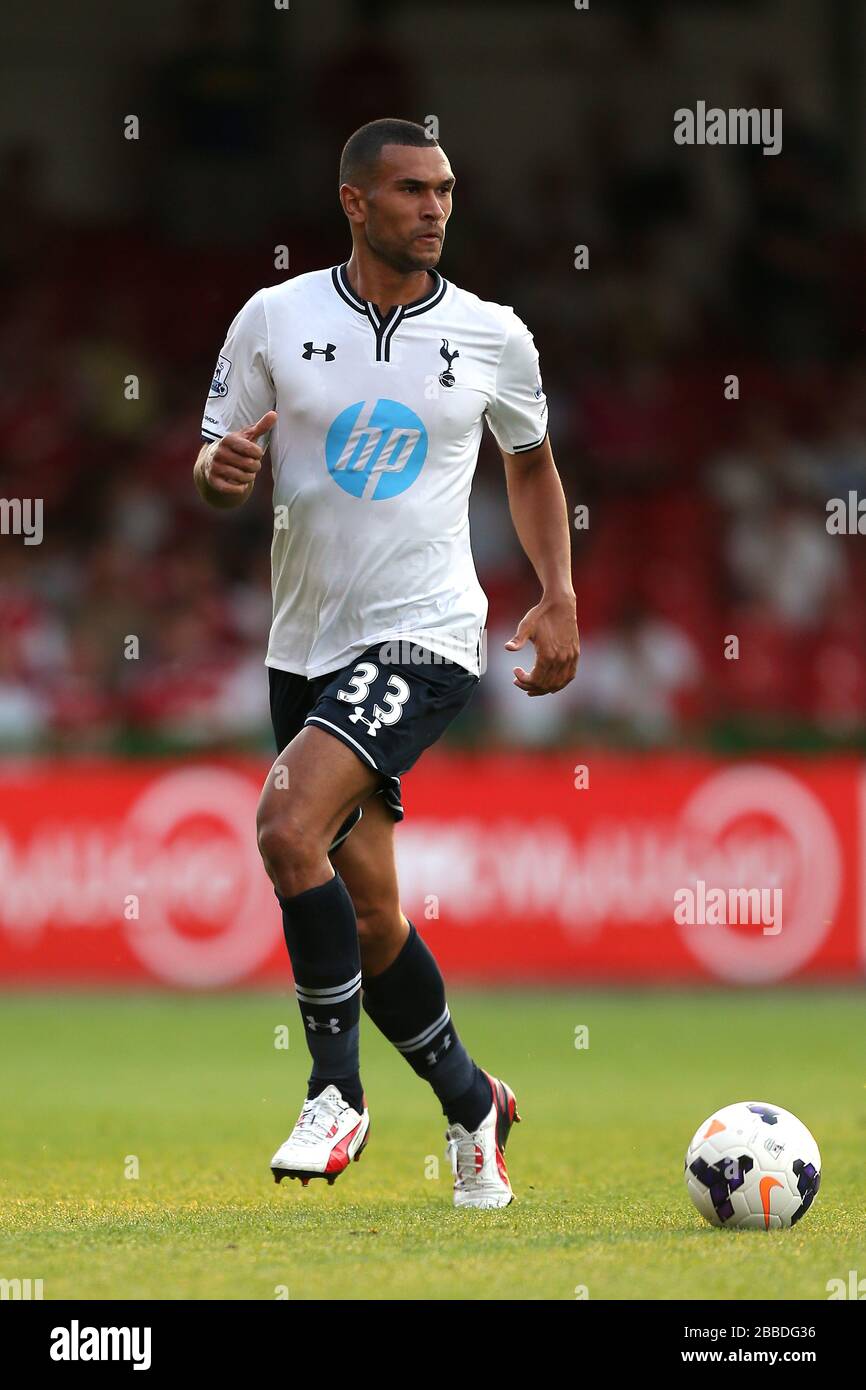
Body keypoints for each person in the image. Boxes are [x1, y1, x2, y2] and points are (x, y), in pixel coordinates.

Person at [194, 119, 579, 1209]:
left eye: (446, 190)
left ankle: (334, 1094)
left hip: (425, 634)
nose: (435, 210)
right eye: (411, 190)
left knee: (281, 825)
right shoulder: (274, 316)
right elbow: (215, 463)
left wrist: (555, 594)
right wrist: (220, 474)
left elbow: (532, 462)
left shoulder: (493, 334)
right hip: (300, 647)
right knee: (367, 918)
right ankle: (473, 1105)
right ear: (354, 202)